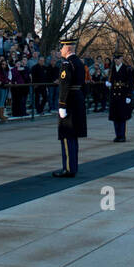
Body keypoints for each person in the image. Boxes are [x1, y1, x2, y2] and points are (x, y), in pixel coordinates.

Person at [53, 37, 87, 177]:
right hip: (77, 100)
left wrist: (62, 105)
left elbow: (64, 85)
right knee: (73, 137)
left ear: (67, 48)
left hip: (70, 102)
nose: (60, 50)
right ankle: (73, 166)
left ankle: (68, 168)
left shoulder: (67, 64)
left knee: (67, 136)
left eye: (62, 47)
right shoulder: (78, 62)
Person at [107, 51, 134, 142]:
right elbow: (110, 79)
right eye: (115, 59)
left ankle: (122, 135)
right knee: (115, 116)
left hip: (123, 95)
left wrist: (129, 96)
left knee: (122, 117)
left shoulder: (126, 69)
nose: (116, 61)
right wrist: (108, 83)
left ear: (121, 59)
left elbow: (130, 83)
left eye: (118, 59)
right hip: (114, 95)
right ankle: (117, 135)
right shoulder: (112, 69)